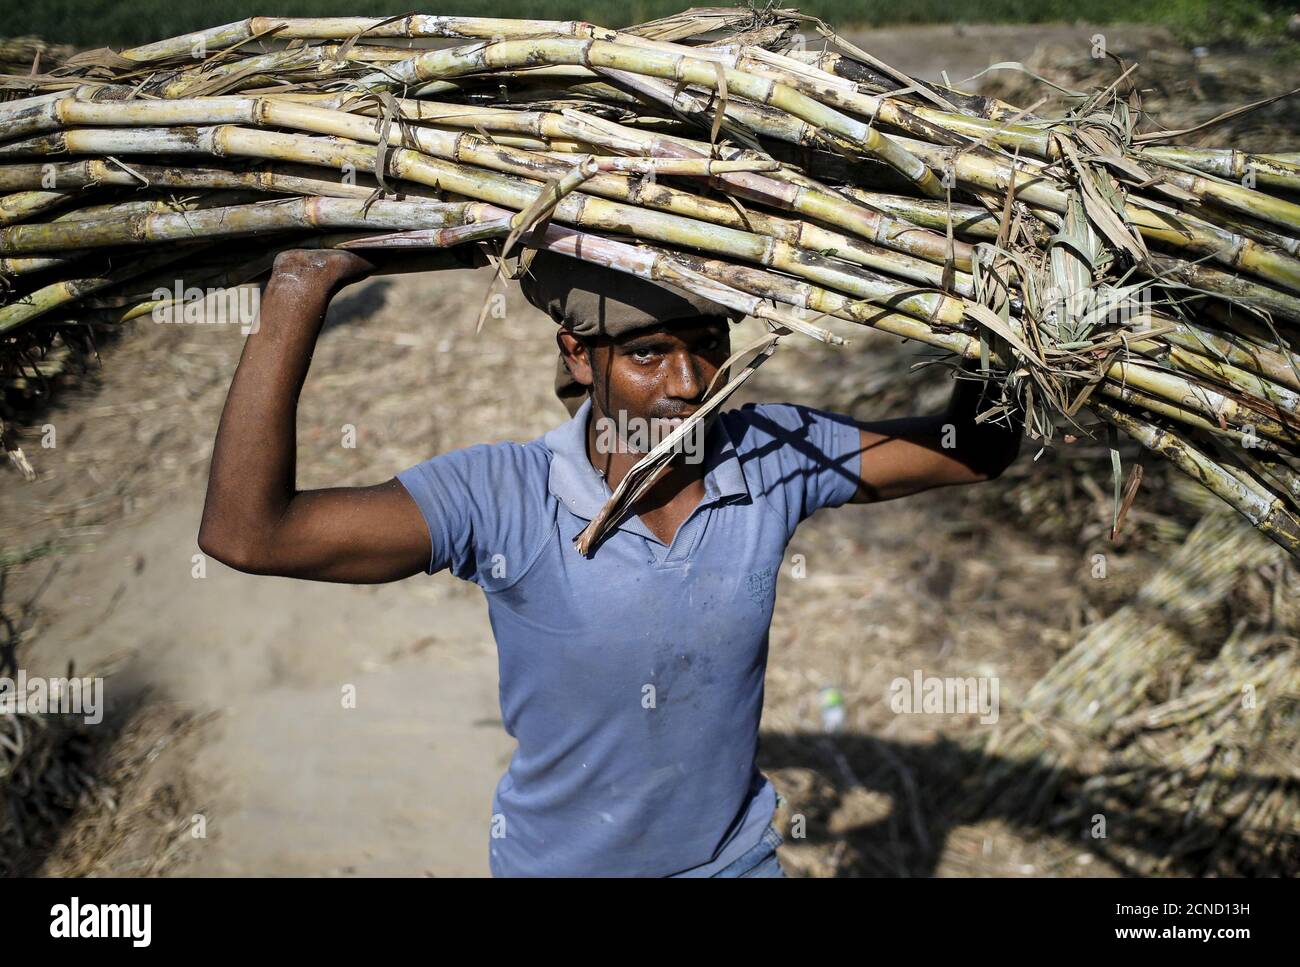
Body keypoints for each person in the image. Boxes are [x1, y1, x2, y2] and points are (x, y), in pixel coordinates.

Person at [198, 245, 1023, 877]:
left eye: (707, 345)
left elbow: (974, 449)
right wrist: (300, 292)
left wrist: (992, 304)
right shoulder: (506, 495)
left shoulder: (767, 454)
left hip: (731, 863)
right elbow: (249, 532)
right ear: (576, 353)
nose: (689, 382)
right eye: (649, 352)